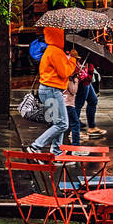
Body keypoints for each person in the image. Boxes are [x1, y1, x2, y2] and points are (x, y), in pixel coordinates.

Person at [27, 26, 76, 155]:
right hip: (52, 90)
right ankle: (35, 146)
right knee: (62, 124)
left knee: (57, 123)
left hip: (48, 90)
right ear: (58, 36)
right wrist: (73, 59)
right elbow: (65, 72)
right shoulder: (55, 51)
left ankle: (56, 152)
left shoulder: (50, 50)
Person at [77, 59, 106, 139]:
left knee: (93, 100)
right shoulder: (81, 53)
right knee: (79, 104)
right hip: (83, 81)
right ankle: (75, 131)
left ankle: (92, 127)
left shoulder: (88, 55)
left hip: (87, 80)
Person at [63, 49, 82, 146]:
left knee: (65, 125)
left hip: (64, 103)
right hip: (68, 104)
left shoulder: (64, 75)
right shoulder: (69, 78)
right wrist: (76, 80)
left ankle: (62, 145)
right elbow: (73, 91)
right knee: (75, 124)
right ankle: (76, 145)